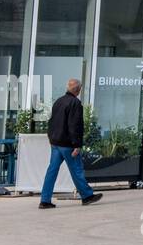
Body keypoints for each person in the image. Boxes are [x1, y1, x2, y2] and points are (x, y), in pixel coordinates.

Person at [38, 79, 102, 209]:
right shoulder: (75, 103)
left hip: (55, 143)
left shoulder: (58, 101)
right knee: (76, 170)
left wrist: (51, 138)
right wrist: (77, 145)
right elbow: (75, 126)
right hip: (67, 144)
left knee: (52, 170)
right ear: (78, 90)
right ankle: (87, 196)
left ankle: (45, 200)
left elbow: (51, 122)